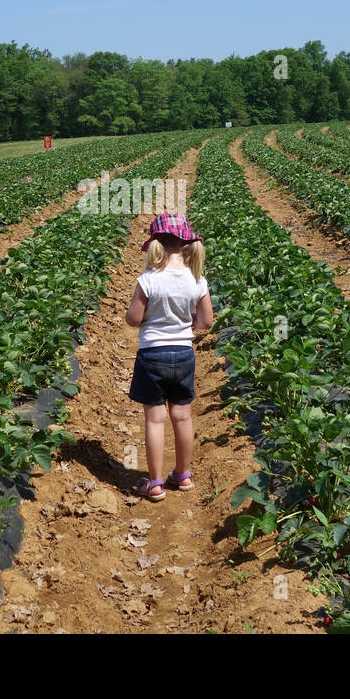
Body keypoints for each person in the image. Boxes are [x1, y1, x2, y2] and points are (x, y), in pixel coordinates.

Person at [124, 213, 214, 501]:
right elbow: (206, 322)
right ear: (187, 244)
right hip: (183, 354)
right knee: (182, 416)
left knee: (155, 419)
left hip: (152, 355)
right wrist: (190, 324)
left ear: (156, 245)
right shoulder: (197, 280)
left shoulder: (149, 280)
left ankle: (155, 482)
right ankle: (183, 475)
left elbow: (134, 320)